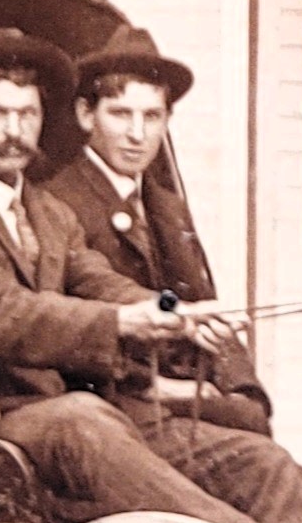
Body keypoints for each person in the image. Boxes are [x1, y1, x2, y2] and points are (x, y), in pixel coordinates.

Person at [0, 27, 302, 523]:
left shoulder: (48, 212)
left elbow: (99, 280)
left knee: (259, 460)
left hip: (70, 415)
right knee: (86, 419)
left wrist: (172, 311)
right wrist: (123, 322)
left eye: (27, 114)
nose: (14, 132)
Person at [39, 23, 277, 444]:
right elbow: (69, 326)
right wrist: (160, 387)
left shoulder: (166, 207)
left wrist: (244, 389)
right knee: (258, 454)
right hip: (117, 403)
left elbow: (201, 303)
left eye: (152, 117)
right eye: (120, 114)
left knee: (252, 422)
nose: (137, 134)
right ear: (85, 114)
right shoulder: (57, 203)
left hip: (183, 396)